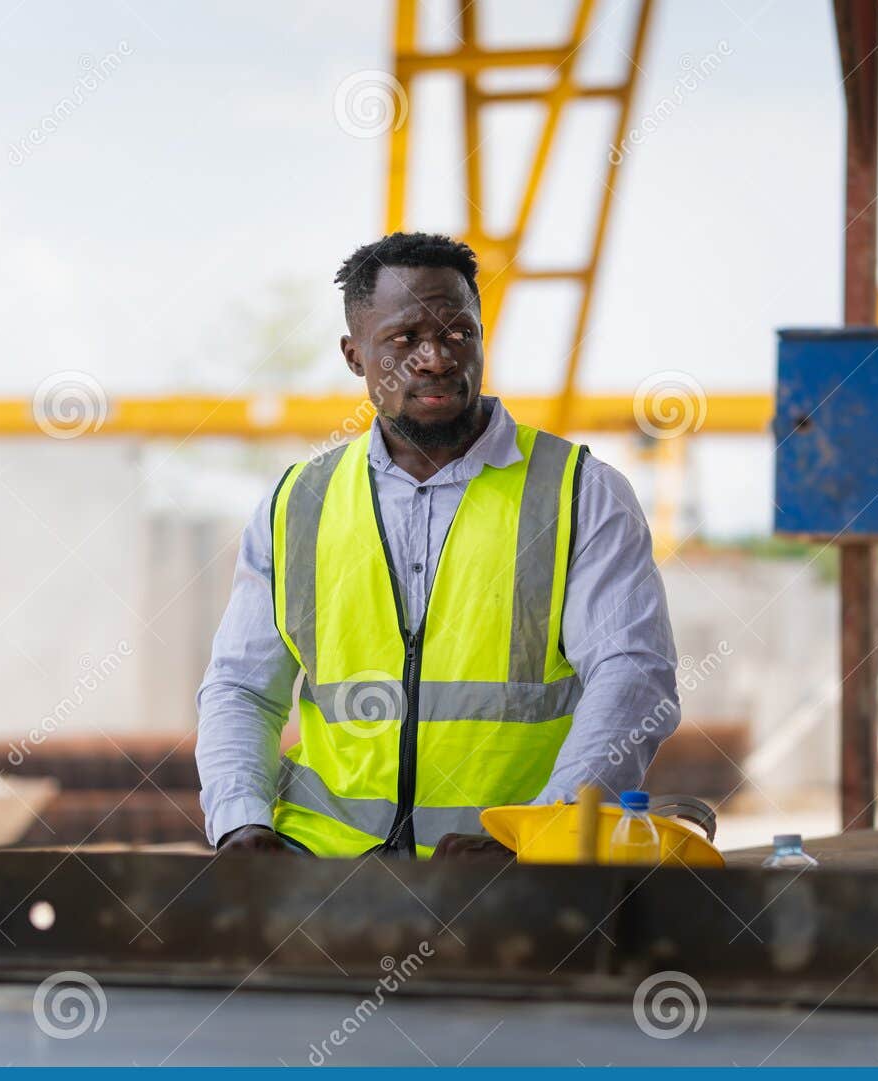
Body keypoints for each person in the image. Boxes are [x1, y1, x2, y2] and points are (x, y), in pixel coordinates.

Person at [195, 232, 680, 858]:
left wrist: (541, 835)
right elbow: (241, 687)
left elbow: (631, 676)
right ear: (354, 355)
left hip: (507, 867)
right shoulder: (297, 504)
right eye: (405, 339)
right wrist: (241, 823)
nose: (436, 358)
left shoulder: (580, 493)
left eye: (458, 333)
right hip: (319, 869)